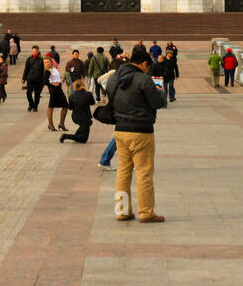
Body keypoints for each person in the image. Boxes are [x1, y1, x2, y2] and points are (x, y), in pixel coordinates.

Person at [105, 43, 167, 223]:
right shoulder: (143, 79)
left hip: (120, 131)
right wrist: (160, 92)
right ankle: (146, 212)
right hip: (141, 132)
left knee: (123, 173)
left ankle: (122, 211)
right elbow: (157, 102)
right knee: (143, 172)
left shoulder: (114, 78)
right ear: (144, 64)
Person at [60, 79, 95, 144]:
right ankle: (66, 136)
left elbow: (70, 108)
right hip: (85, 117)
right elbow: (92, 103)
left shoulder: (71, 95)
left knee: (85, 125)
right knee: (83, 139)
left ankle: (73, 136)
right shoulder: (88, 94)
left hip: (75, 117)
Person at [44, 55, 68, 132]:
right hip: (52, 89)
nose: (46, 64)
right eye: (45, 62)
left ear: (51, 63)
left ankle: (61, 123)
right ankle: (50, 124)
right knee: (51, 106)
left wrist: (59, 83)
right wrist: (52, 84)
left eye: (48, 62)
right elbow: (44, 81)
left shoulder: (54, 69)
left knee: (65, 105)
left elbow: (57, 78)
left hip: (59, 88)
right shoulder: (46, 71)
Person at [22, 46, 44, 111]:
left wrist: (43, 79)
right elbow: (26, 69)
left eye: (36, 51)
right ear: (32, 51)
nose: (35, 52)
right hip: (30, 79)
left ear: (38, 52)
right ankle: (31, 104)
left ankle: (35, 106)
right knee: (28, 93)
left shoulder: (41, 60)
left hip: (38, 79)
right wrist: (24, 78)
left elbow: (43, 70)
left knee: (37, 94)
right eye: (34, 51)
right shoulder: (29, 59)